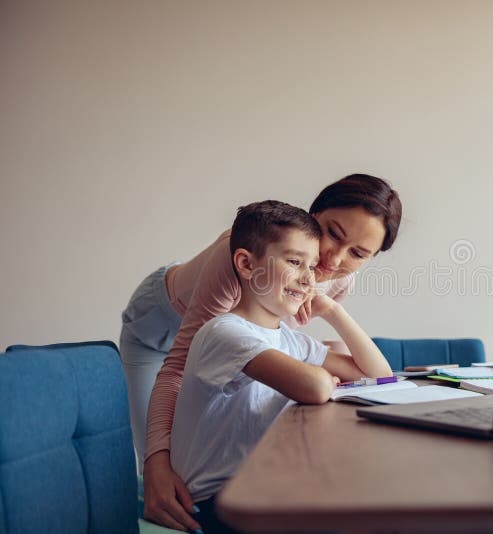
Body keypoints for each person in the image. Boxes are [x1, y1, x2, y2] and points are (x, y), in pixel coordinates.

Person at [118, 174, 401, 532]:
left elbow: (277, 340)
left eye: (358, 254)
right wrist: (155, 463)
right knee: (165, 471)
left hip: (227, 344)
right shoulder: (244, 262)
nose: (334, 257)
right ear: (314, 213)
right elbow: (178, 367)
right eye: (333, 233)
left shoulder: (328, 276)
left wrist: (332, 315)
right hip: (158, 323)